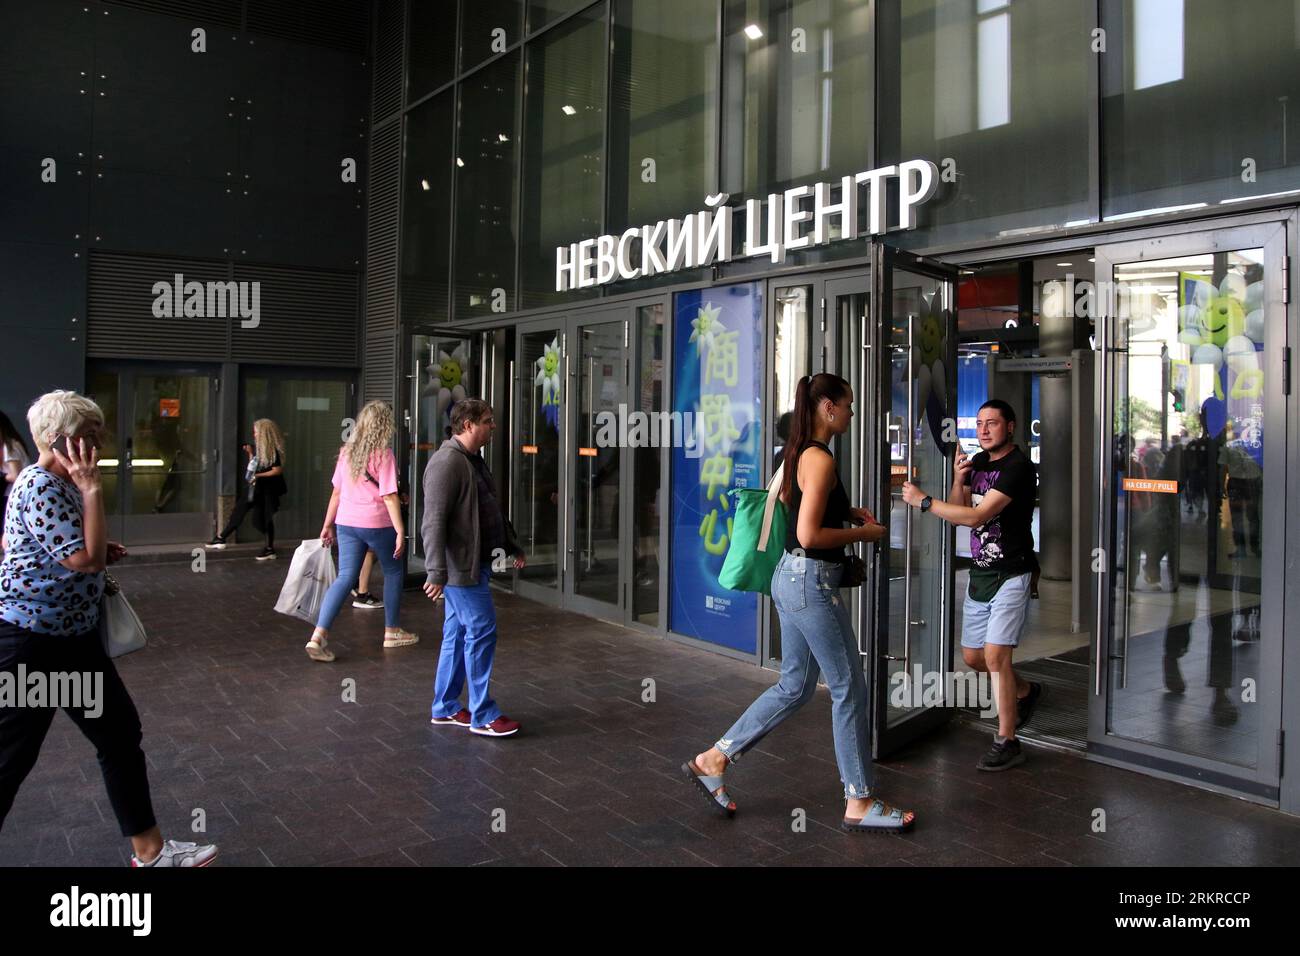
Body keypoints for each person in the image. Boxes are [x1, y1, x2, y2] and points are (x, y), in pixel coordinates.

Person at [684, 373, 915, 833]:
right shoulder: (821, 459)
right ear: (828, 407)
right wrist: (863, 533)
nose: (851, 412)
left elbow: (798, 507)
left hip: (788, 577)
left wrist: (844, 511)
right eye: (847, 404)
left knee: (795, 687)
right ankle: (859, 801)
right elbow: (809, 535)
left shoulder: (793, 451)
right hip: (811, 582)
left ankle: (714, 758)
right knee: (849, 687)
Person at [0, 390, 217, 866]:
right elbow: (85, 557)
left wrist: (98, 540)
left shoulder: (60, 486)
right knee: (11, 759)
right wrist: (92, 492)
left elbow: (79, 550)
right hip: (32, 645)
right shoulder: (40, 483)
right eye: (89, 435)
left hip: (72, 642)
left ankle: (151, 853)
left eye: (97, 434)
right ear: (59, 440)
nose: (98, 444)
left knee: (119, 735)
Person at [901, 398, 1043, 772]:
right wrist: (959, 479)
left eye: (992, 423)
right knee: (974, 658)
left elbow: (979, 514)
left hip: (1012, 572)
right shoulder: (978, 463)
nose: (983, 429)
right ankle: (1025, 691)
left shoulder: (1019, 468)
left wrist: (923, 502)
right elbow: (958, 513)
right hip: (981, 572)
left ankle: (1007, 740)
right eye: (979, 423)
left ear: (1010, 427)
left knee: (996, 657)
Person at [423, 398, 526, 737]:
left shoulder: (472, 461)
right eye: (488, 421)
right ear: (467, 425)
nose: (493, 426)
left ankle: (446, 707)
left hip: (472, 565)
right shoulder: (446, 464)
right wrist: (436, 572)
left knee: (456, 634)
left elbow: (490, 509)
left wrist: (511, 546)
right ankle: (482, 714)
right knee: (482, 630)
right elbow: (433, 522)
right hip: (460, 570)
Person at [306, 401, 416, 661]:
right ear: (384, 425)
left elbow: (336, 492)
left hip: (347, 522)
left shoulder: (347, 453)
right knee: (393, 571)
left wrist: (327, 524)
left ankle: (318, 636)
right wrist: (401, 530)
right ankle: (392, 631)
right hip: (377, 523)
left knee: (345, 577)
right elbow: (389, 496)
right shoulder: (384, 454)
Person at [206, 418, 286, 560]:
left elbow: (277, 470)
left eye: (256, 432)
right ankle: (221, 537)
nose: (254, 434)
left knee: (262, 518)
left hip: (266, 490)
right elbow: (254, 467)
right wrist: (250, 454)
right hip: (255, 488)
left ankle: (269, 548)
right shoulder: (260, 449)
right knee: (239, 511)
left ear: (263, 433)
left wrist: (259, 475)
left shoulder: (272, 450)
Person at [1, 411, 32, 547]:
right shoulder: (13, 444)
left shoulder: (9, 446)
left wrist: (2, 478)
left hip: (12, 494)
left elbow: (16, 474)